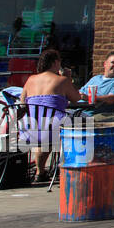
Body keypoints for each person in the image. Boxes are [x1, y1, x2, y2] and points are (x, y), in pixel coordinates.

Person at [19, 50, 81, 180]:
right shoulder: (62, 80)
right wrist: (68, 78)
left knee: (44, 135)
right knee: (80, 125)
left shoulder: (31, 79)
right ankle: (68, 169)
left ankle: (40, 172)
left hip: (30, 129)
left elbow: (22, 103)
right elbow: (76, 98)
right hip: (54, 129)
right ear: (55, 62)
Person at [80, 51, 114, 116]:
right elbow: (79, 94)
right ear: (105, 64)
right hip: (78, 111)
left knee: (70, 120)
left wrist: (90, 98)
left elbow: (111, 98)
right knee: (65, 116)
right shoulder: (95, 78)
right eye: (113, 63)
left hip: (93, 117)